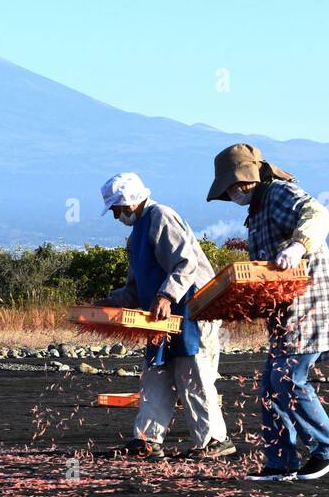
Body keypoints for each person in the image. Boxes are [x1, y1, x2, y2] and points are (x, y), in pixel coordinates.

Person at [206, 144, 329, 481]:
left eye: (230, 187)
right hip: (287, 316)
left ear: (244, 180)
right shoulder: (258, 208)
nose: (230, 194)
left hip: (313, 307)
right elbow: (273, 256)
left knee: (289, 380)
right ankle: (280, 462)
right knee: (271, 387)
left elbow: (318, 214)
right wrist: (250, 247)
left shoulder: (278, 193)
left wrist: (298, 245)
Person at [99, 173, 234, 460]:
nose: (115, 216)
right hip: (162, 316)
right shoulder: (137, 234)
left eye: (115, 209)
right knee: (155, 375)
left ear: (128, 202)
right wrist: (107, 303)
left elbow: (185, 264)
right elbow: (135, 289)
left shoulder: (161, 216)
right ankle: (147, 439)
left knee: (192, 373)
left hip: (192, 310)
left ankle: (214, 440)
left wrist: (165, 295)